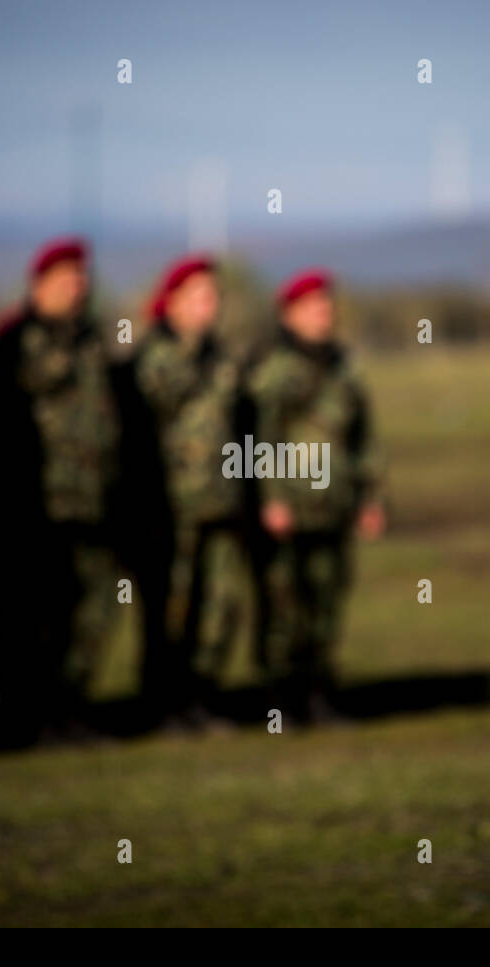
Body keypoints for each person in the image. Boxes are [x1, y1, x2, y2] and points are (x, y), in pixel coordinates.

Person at [0, 237, 119, 745]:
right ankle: (24, 713)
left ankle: (71, 708)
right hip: (34, 509)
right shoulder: (13, 343)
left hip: (91, 504)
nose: (75, 287)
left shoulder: (93, 341)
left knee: (90, 614)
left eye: (80, 277)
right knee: (30, 617)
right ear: (38, 285)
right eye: (63, 279)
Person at [248, 269, 385, 724]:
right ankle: (279, 701)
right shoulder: (273, 370)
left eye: (326, 306)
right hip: (290, 508)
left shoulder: (345, 366)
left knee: (327, 604)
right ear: (289, 315)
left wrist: (370, 497)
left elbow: (363, 436)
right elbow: (259, 438)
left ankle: (320, 695)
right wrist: (271, 499)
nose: (322, 315)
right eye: (311, 307)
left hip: (335, 506)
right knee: (285, 608)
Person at [134, 255, 249, 728]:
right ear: (174, 303)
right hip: (171, 506)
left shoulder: (224, 360)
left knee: (220, 606)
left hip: (222, 501)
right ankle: (165, 702)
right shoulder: (154, 359)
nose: (211, 305)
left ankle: (203, 697)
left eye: (214, 295)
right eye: (201, 295)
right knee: (172, 609)